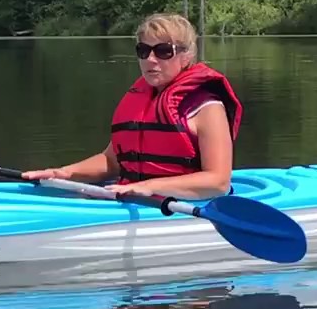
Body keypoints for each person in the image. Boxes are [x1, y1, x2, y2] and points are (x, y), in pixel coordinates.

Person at [22, 13, 242, 200]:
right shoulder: (139, 100)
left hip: (176, 204)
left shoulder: (207, 108)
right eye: (144, 51)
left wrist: (148, 187)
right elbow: (112, 161)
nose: (151, 59)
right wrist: (65, 173)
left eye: (164, 51)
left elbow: (218, 182)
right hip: (129, 196)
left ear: (186, 56)